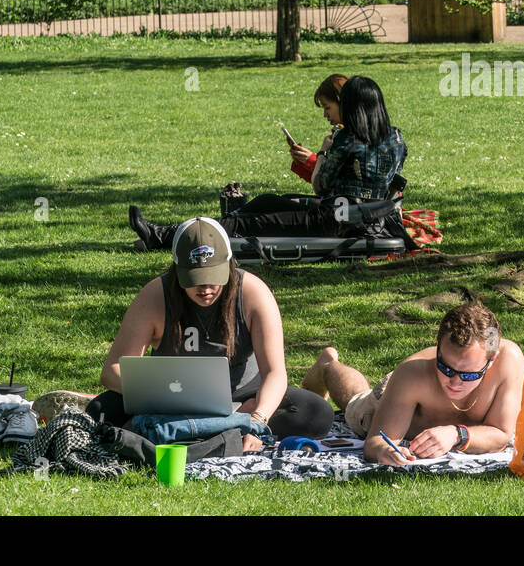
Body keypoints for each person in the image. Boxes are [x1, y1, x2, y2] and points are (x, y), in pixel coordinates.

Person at [87, 217, 333, 450]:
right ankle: (215, 429)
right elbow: (111, 371)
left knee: (315, 414)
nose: (205, 288)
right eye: (195, 279)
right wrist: (163, 396)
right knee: (99, 410)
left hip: (244, 399)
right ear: (176, 270)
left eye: (214, 277)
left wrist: (258, 420)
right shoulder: (155, 297)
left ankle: (193, 429)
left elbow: (275, 373)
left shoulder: (253, 293)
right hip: (171, 400)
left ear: (229, 264)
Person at [129, 74, 408, 247]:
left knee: (245, 225)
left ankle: (163, 235)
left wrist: (323, 152)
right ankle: (178, 234)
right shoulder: (396, 139)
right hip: (368, 219)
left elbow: (321, 187)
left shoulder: (348, 140)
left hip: (333, 221)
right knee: (266, 202)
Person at [300, 301, 524, 465]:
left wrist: (456, 435)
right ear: (437, 347)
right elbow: (375, 441)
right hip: (394, 393)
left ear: (491, 360)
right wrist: (384, 452)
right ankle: (327, 366)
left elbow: (501, 435)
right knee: (357, 403)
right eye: (445, 368)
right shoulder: (412, 375)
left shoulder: (509, 361)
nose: (455, 382)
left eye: (468, 375)